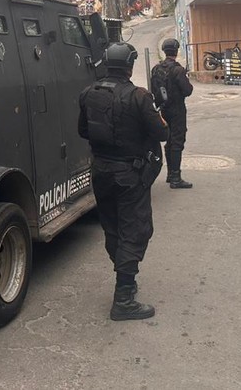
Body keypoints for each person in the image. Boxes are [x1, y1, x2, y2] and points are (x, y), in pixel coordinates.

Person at [79, 42, 168, 320]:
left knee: (112, 227)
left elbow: (83, 131)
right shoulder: (139, 97)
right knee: (135, 229)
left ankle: (124, 277)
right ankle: (124, 298)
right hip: (130, 175)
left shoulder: (87, 93)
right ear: (130, 65)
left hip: (100, 172)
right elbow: (161, 133)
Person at [151, 38, 194, 189]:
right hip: (177, 110)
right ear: (176, 51)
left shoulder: (156, 69)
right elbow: (187, 90)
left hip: (163, 109)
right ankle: (175, 177)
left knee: (169, 141)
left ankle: (170, 174)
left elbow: (153, 89)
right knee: (177, 141)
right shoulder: (178, 70)